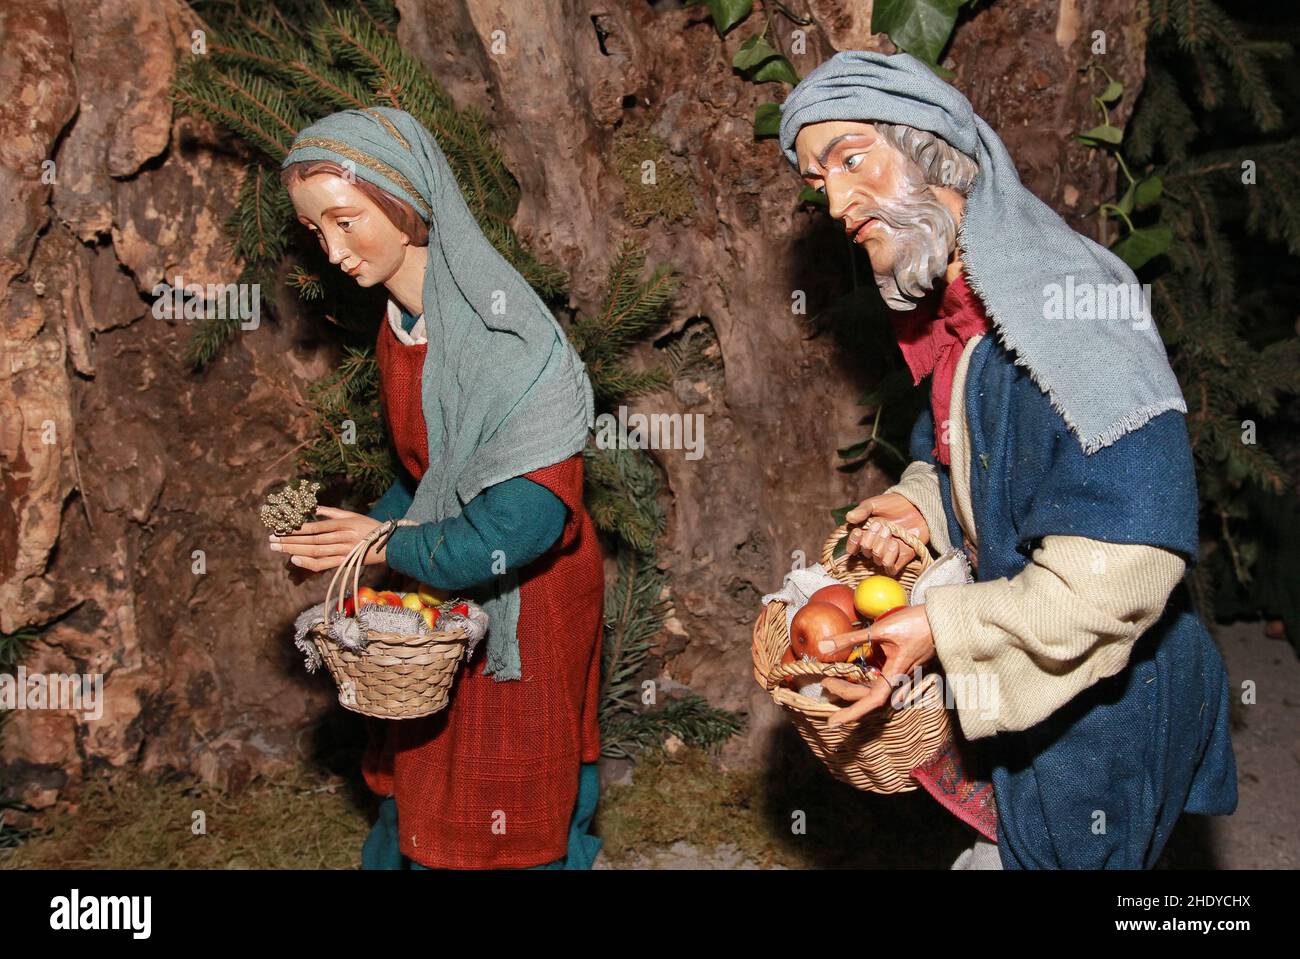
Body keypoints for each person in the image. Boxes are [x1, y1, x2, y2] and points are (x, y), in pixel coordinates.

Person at [777, 52, 1237, 869]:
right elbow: (977, 452)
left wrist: (945, 626)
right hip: (1039, 689)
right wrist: (923, 497)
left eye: (853, 159)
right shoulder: (966, 313)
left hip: (1103, 704)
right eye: (821, 183)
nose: (840, 204)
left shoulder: (1068, 310)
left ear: (930, 148)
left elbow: (1126, 566)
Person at [267, 106, 604, 870]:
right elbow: (428, 471)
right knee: (426, 761)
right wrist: (358, 531)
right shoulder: (405, 322)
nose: (334, 251)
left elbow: (526, 518)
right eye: (317, 233)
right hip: (451, 575)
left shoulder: (508, 339)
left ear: (405, 202)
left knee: (511, 781)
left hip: (528, 599)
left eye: (347, 222)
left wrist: (390, 541)